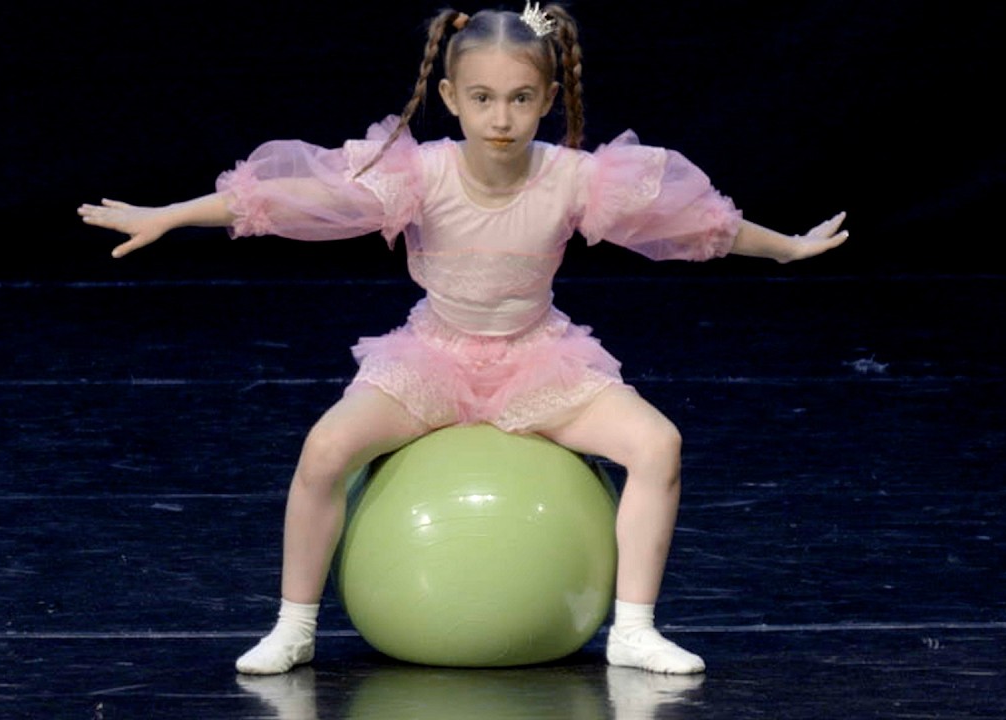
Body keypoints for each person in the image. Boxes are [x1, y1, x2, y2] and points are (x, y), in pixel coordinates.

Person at [78, 3, 847, 676]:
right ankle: (294, 627)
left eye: (520, 98)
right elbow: (295, 196)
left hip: (538, 359)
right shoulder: (422, 173)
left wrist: (786, 247)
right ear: (451, 97)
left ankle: (635, 630)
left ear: (548, 99)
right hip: (433, 358)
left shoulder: (576, 178)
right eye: (483, 98)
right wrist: (171, 215)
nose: (501, 118)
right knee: (324, 450)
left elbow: (696, 223)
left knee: (659, 445)